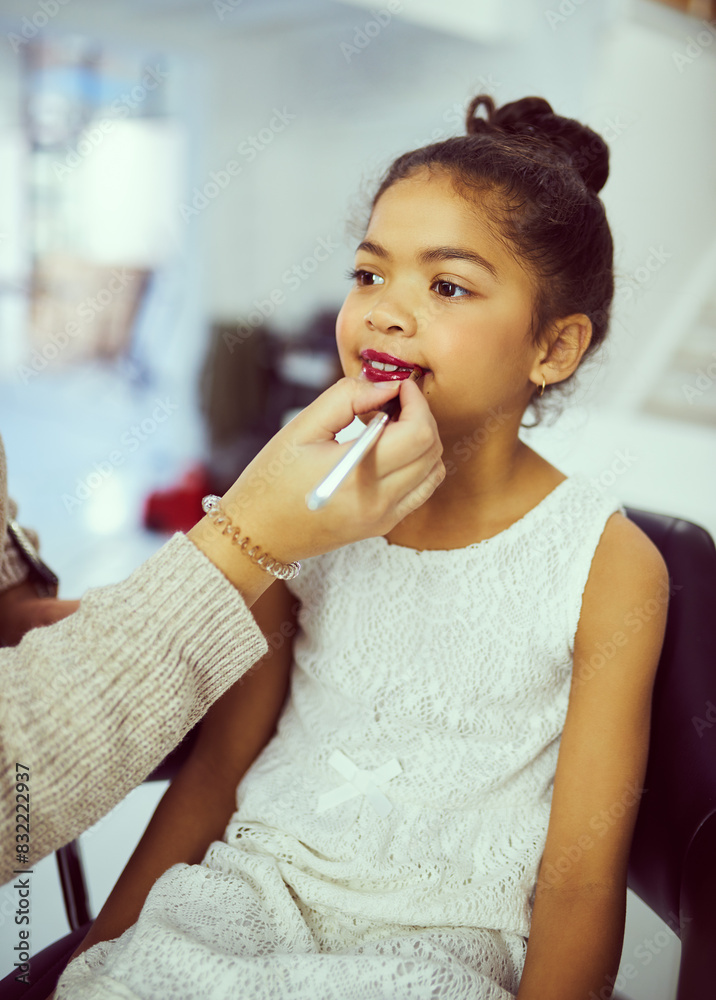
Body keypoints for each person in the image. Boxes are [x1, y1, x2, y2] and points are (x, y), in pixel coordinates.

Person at [53, 95, 669, 1000]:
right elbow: (219, 770)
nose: (384, 312)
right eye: (369, 274)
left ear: (555, 347)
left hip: (440, 952)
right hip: (250, 900)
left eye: (447, 286)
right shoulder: (304, 508)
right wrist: (96, 956)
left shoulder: (607, 566)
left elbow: (579, 880)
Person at [0, 373, 444, 887]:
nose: (391, 326)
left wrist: (22, 607)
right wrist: (245, 540)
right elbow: (216, 775)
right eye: (366, 285)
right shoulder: (305, 556)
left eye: (450, 288)